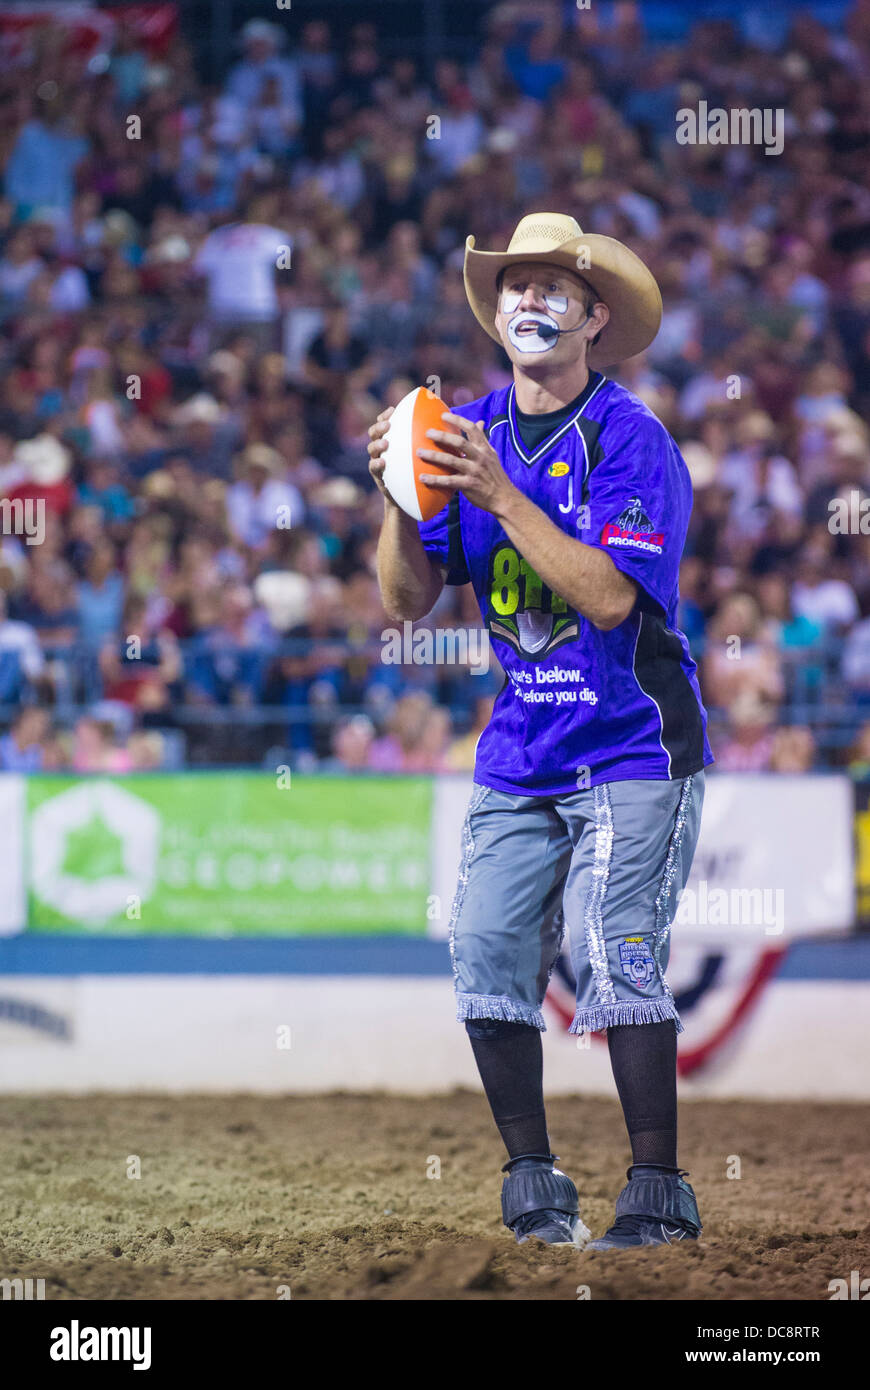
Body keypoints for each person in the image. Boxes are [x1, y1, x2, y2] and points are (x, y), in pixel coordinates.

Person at [368, 213, 712, 1251]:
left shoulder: (629, 438)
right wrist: (397, 494)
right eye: (516, 285)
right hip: (523, 751)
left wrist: (498, 493)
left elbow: (609, 598)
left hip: (633, 747)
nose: (531, 300)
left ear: (594, 318)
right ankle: (534, 1183)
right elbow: (404, 602)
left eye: (557, 288)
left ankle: (658, 1189)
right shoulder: (466, 436)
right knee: (483, 948)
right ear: (499, 311)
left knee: (617, 952)